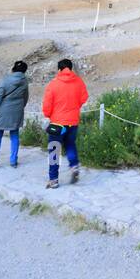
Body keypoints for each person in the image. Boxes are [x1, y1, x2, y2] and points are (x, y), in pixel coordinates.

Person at [42, 58, 89, 189]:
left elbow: (47, 105)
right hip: (73, 121)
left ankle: (53, 180)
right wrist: (75, 107)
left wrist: (48, 115)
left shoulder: (53, 84)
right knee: (70, 144)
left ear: (59, 70)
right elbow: (84, 97)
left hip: (57, 123)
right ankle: (74, 166)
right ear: (71, 68)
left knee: (54, 150)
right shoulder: (79, 82)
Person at [0, 60, 29, 170]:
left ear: (13, 69)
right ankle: (13, 161)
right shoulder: (25, 81)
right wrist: (19, 108)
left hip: (2, 111)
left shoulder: (5, 80)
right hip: (17, 110)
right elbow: (25, 98)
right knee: (14, 135)